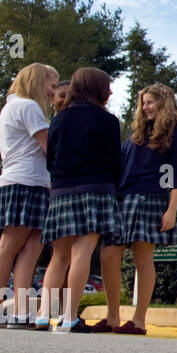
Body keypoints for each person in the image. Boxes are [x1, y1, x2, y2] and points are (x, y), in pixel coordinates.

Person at [96, 84, 177, 334]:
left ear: (163, 103)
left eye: (150, 102)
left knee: (143, 258)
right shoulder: (135, 131)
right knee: (108, 254)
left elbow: (176, 176)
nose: (145, 108)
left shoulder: (176, 135)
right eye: (143, 103)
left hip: (152, 198)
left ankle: (139, 320)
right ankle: (112, 316)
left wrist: (171, 210)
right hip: (123, 197)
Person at [40, 67, 125, 332]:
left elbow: (51, 158)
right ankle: (68, 318)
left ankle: (43, 315)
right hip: (96, 188)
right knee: (82, 253)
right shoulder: (107, 120)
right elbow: (116, 161)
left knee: (58, 256)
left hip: (62, 190)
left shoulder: (59, 119)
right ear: (96, 88)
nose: (110, 91)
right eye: (106, 86)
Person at [0, 63, 58, 327]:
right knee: (14, 248)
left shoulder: (11, 107)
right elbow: (50, 147)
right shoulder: (28, 107)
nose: (53, 91)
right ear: (39, 81)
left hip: (25, 181)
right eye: (51, 84)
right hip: (26, 182)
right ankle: (3, 311)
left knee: (25, 248)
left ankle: (10, 311)